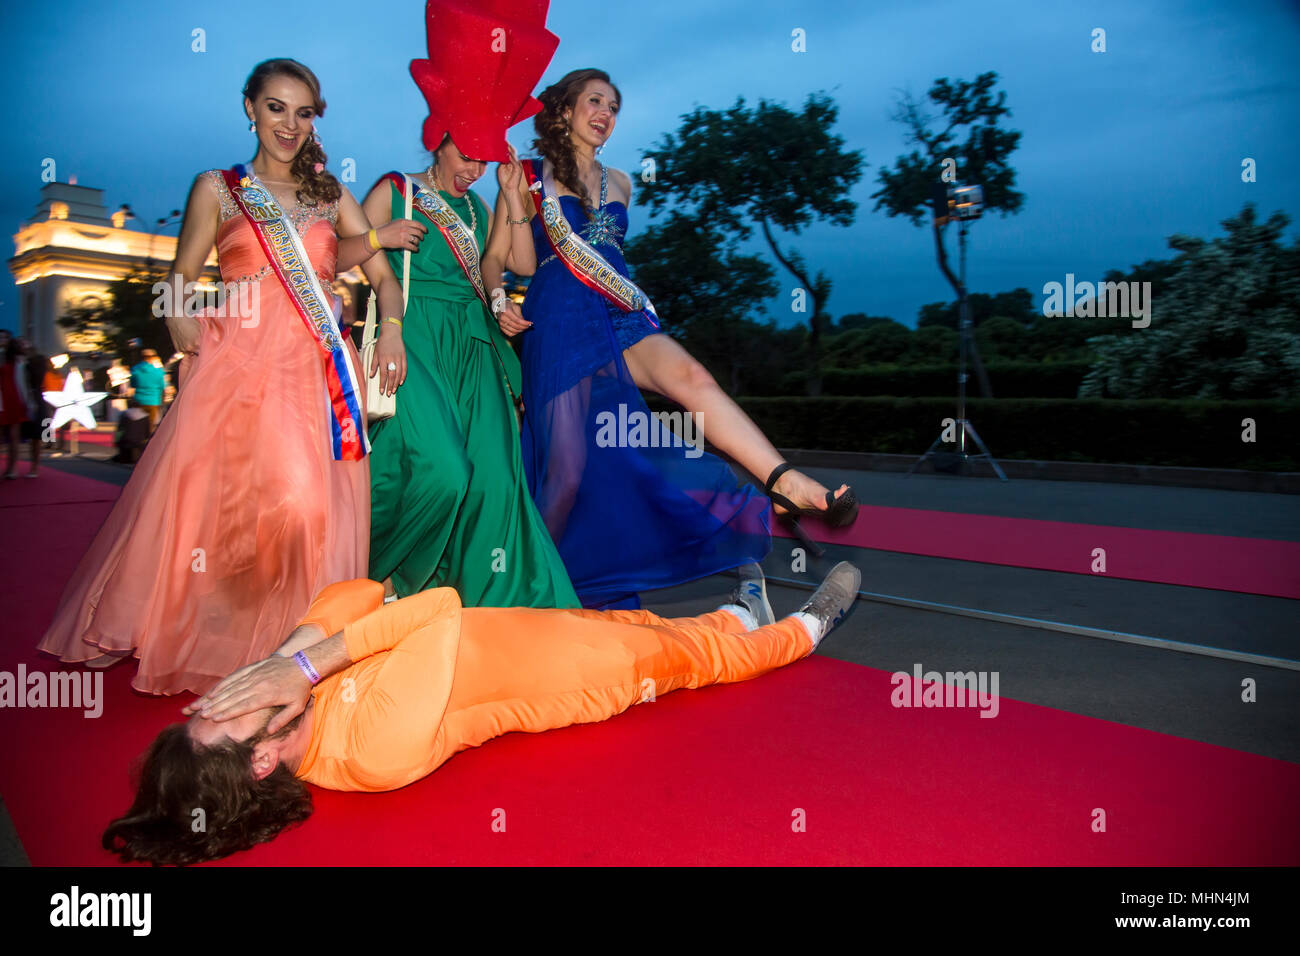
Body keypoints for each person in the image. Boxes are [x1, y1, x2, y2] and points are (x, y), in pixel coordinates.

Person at [38, 58, 406, 695]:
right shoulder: (218, 186)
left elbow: (372, 271)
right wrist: (177, 312)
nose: (289, 125)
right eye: (275, 108)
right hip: (238, 365)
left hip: (314, 372)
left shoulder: (327, 192)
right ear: (249, 108)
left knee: (303, 508)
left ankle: (289, 645)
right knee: (235, 514)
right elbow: (182, 271)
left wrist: (392, 323)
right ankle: (227, 636)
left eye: (304, 112)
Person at [102, 561, 860, 864]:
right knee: (698, 663)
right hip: (576, 679)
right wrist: (305, 664)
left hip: (535, 627)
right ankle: (805, 629)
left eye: (220, 698)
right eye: (229, 715)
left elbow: (358, 590)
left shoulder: (289, 700)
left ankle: (741, 608)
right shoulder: (369, 752)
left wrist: (285, 659)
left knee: (658, 626)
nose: (237, 690)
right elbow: (434, 608)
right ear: (263, 760)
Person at [500, 69, 860, 608]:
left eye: (614, 106)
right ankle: (521, 596)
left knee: (692, 378)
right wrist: (509, 202)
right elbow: (520, 262)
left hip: (617, 309)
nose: (605, 113)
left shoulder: (620, 182)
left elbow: (611, 255)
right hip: (560, 317)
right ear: (565, 110)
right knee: (568, 474)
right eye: (594, 101)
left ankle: (782, 481)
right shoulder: (527, 174)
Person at [348, 0, 576, 607]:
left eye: (484, 156)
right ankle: (372, 581)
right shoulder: (395, 190)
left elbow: (520, 264)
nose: (473, 167)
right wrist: (379, 238)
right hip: (413, 338)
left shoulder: (482, 204)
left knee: (497, 484)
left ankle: (494, 606)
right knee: (440, 471)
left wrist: (513, 202)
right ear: (439, 140)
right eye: (466, 153)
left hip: (477, 349)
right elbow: (333, 258)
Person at [0, 338, 39, 478]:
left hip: (13, 400)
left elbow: (27, 384)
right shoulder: (9, 361)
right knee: (10, 437)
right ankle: (11, 468)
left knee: (13, 438)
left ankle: (12, 468)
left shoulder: (21, 362)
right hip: (8, 399)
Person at [128, 348, 166, 433]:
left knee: (139, 422)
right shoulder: (159, 371)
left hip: (139, 400)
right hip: (154, 400)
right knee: (151, 424)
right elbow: (162, 386)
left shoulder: (135, 370)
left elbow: (132, 384)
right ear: (153, 357)